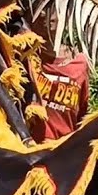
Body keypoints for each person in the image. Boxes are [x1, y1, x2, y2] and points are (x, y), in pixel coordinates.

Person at [26, 11, 91, 143]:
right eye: (40, 6)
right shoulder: (22, 59)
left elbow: (81, 117)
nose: (46, 13)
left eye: (55, 6)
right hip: (26, 153)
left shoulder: (80, 61)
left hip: (62, 155)